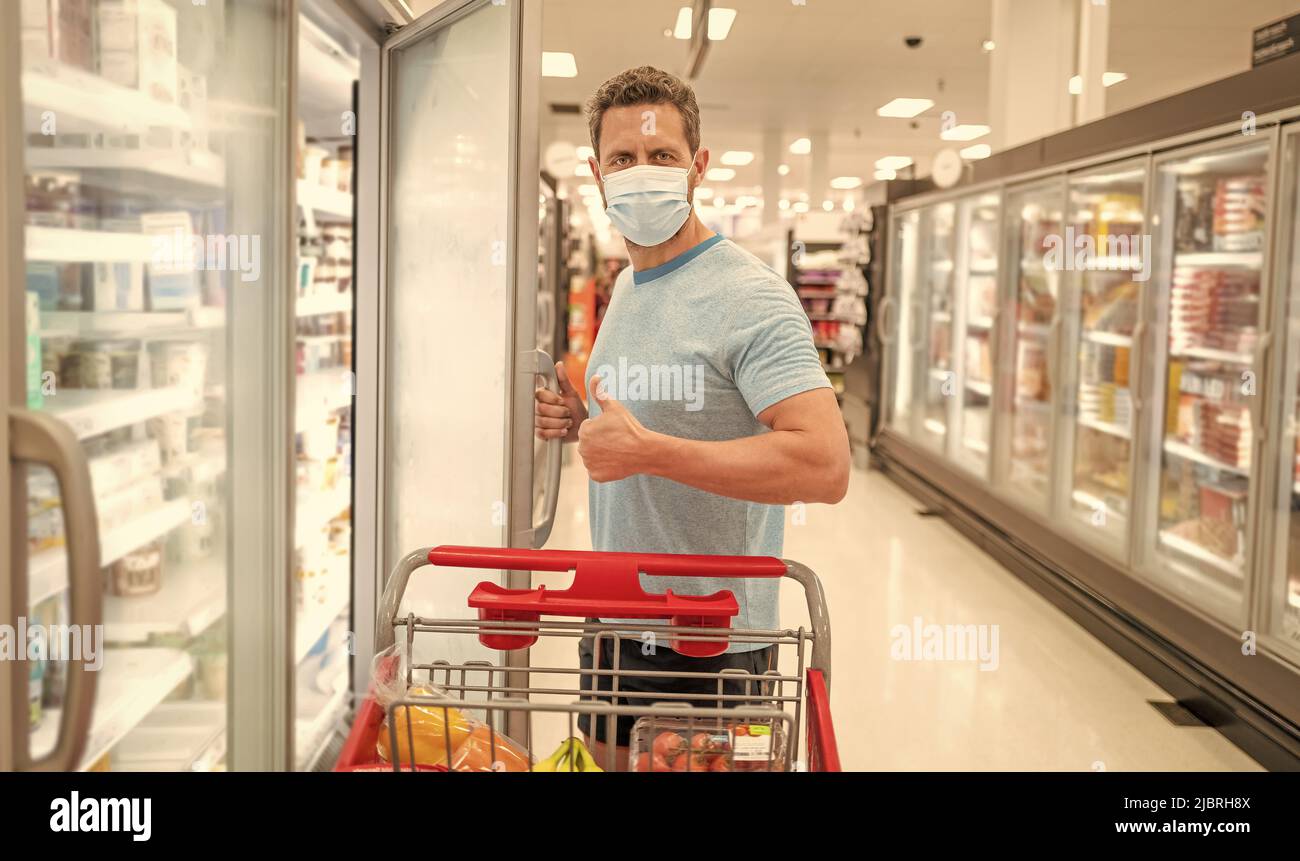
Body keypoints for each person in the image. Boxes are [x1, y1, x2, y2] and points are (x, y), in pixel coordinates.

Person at [534, 65, 849, 770]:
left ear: (697, 166)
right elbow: (657, 419)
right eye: (623, 158)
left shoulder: (751, 296)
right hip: (618, 616)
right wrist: (583, 420)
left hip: (710, 637)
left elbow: (825, 465)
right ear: (597, 174)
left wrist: (647, 451)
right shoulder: (629, 284)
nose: (640, 172)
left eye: (661, 155)